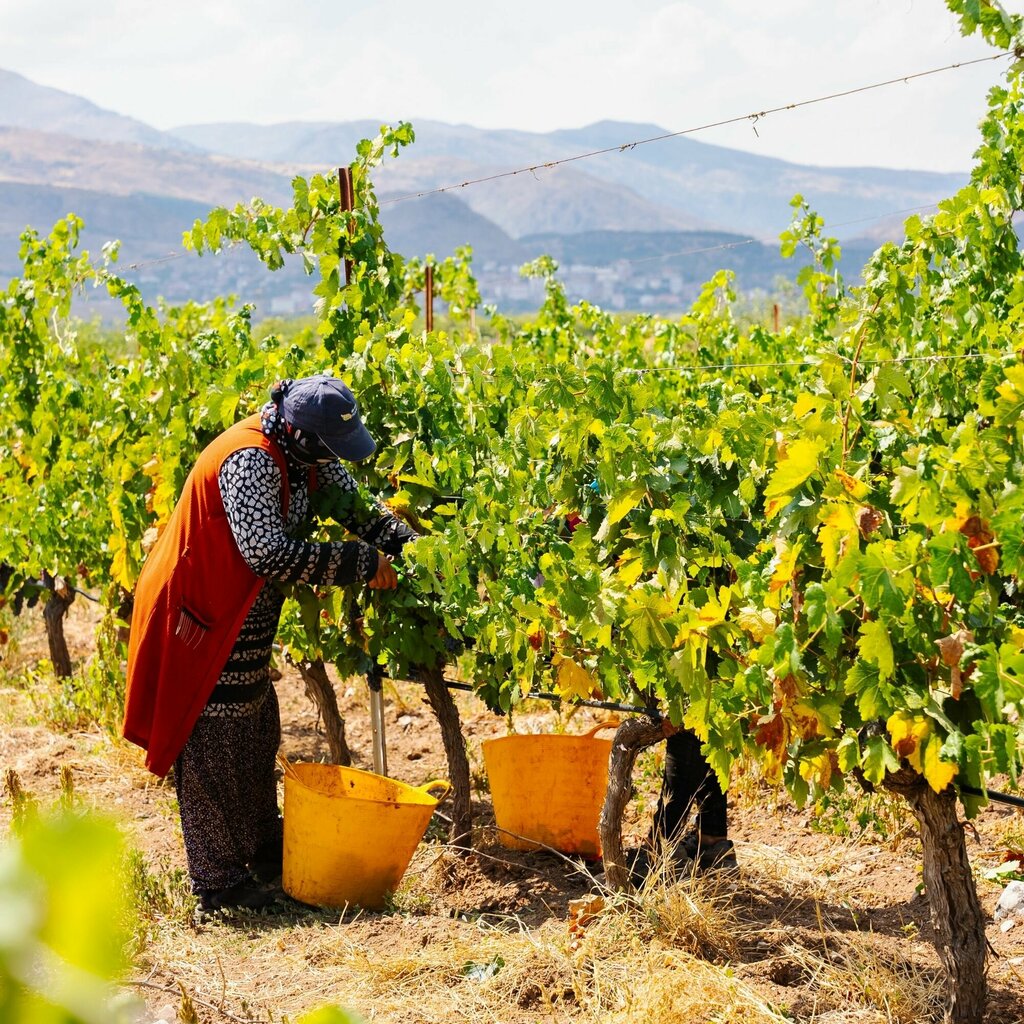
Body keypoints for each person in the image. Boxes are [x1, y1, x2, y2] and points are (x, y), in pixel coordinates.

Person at [123, 375, 416, 911]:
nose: (336, 460)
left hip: (238, 606)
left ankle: (258, 848)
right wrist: (359, 563)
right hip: (198, 605)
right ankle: (218, 881)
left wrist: (411, 550)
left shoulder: (306, 451)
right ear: (305, 436)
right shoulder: (251, 459)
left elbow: (360, 512)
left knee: (254, 719)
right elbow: (267, 553)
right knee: (212, 727)